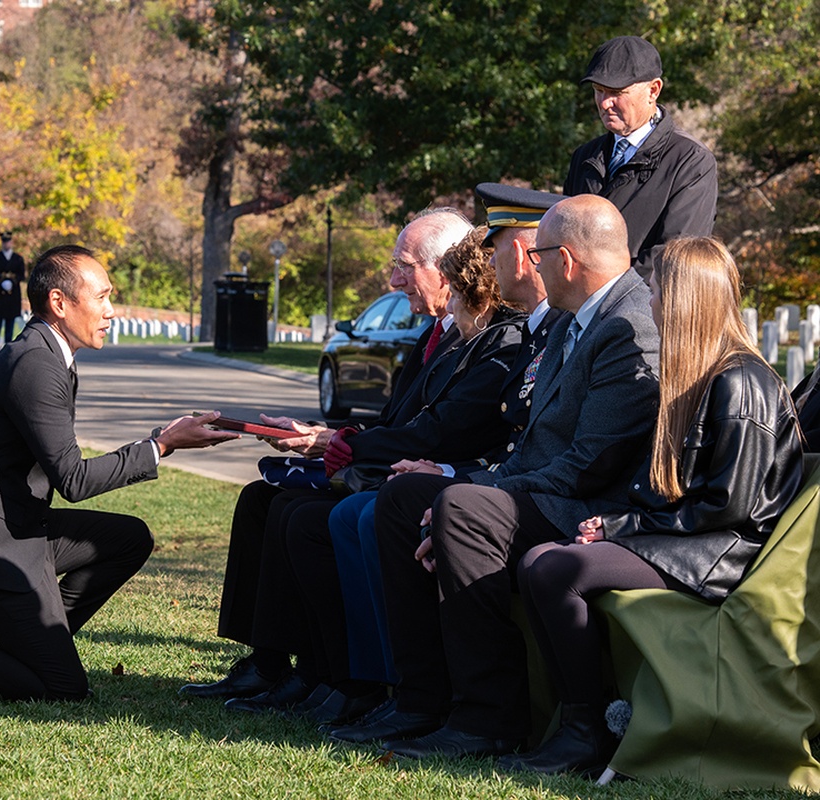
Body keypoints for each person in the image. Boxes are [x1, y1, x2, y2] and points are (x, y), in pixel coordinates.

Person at [0, 245, 238, 700]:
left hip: (15, 528)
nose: (111, 310)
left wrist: (161, 440)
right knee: (62, 687)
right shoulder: (34, 362)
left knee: (129, 539)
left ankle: (38, 647)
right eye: (101, 297)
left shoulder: (49, 355)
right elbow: (73, 480)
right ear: (59, 302)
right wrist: (162, 446)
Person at [373, 194, 661, 759]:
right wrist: (479, 484)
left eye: (540, 255)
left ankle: (488, 718)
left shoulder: (628, 326)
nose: (531, 265)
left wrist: (482, 491)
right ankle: (421, 699)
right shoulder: (573, 319)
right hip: (547, 490)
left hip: (593, 511)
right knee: (406, 496)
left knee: (462, 509)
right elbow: (532, 445)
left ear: (566, 261)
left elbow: (590, 464)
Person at [504, 237, 804, 776]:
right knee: (539, 560)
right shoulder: (700, 376)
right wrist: (618, 522)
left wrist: (624, 525)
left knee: (554, 569)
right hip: (687, 537)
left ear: (687, 300)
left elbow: (729, 508)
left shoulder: (742, 381)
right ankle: (575, 722)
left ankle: (585, 734)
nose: (653, 302)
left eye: (660, 291)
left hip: (717, 552)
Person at [178, 208, 472, 703]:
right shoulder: (434, 334)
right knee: (259, 499)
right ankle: (268, 662)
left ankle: (328, 672)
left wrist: (336, 442)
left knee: (300, 516)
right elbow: (393, 424)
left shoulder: (480, 336)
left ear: (445, 270)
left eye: (405, 266)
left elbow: (432, 435)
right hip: (386, 467)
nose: (394, 280)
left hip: (416, 480)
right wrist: (321, 436)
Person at [319, 186, 565, 743]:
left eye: (494, 249)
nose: (488, 266)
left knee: (405, 504)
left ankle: (444, 705)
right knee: (353, 505)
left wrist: (461, 477)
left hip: (551, 499)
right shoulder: (536, 329)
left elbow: (528, 443)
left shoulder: (530, 333)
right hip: (505, 480)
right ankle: (385, 688)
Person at [280, 225, 526, 725]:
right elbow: (406, 421)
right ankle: (353, 678)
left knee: (366, 513)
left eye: (406, 267)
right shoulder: (456, 334)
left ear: (469, 289)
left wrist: (349, 446)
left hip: (480, 482)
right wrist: (340, 439)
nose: (396, 282)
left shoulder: (501, 339)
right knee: (306, 510)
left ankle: (407, 690)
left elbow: (451, 429)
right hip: (433, 469)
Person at [564, 36, 717, 283]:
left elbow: (676, 256)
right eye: (598, 91)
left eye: (616, 92)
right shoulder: (585, 157)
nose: (604, 103)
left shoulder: (691, 162)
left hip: (647, 305)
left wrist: (604, 296)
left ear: (653, 90)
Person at [0, 232, 27, 350]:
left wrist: (13, 282)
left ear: (11, 243)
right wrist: (1, 281)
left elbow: (21, 274)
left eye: (8, 242)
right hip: (0, 292)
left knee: (10, 319)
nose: (6, 244)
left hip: (13, 293)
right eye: (4, 242)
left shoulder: (18, 258)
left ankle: (8, 342)